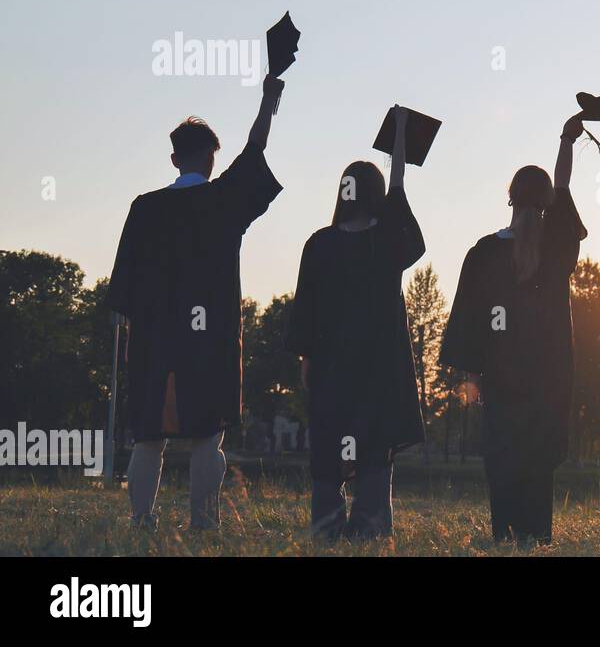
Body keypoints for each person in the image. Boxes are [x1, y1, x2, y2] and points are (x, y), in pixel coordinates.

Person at [108, 74, 286, 529]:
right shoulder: (222, 201)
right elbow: (255, 151)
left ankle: (141, 519)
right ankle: (203, 522)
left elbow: (122, 289)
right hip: (211, 341)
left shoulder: (143, 208)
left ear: (173, 157)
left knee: (149, 437)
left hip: (154, 341)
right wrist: (268, 101)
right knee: (209, 437)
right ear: (211, 157)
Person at [439, 112, 587, 546]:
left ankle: (502, 532)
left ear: (510, 199)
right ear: (546, 202)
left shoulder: (484, 253)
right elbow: (563, 187)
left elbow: (467, 318)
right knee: (539, 458)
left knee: (503, 455)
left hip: (499, 377)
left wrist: (470, 377)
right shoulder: (557, 248)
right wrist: (566, 139)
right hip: (549, 376)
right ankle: (537, 535)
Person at [285, 106, 426, 540]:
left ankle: (327, 528)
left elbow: (305, 306)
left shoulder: (319, 245)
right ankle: (368, 528)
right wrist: (400, 134)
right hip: (378, 369)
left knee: (330, 446)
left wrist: (307, 359)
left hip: (331, 366)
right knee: (373, 449)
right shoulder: (385, 242)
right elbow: (399, 188)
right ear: (376, 197)